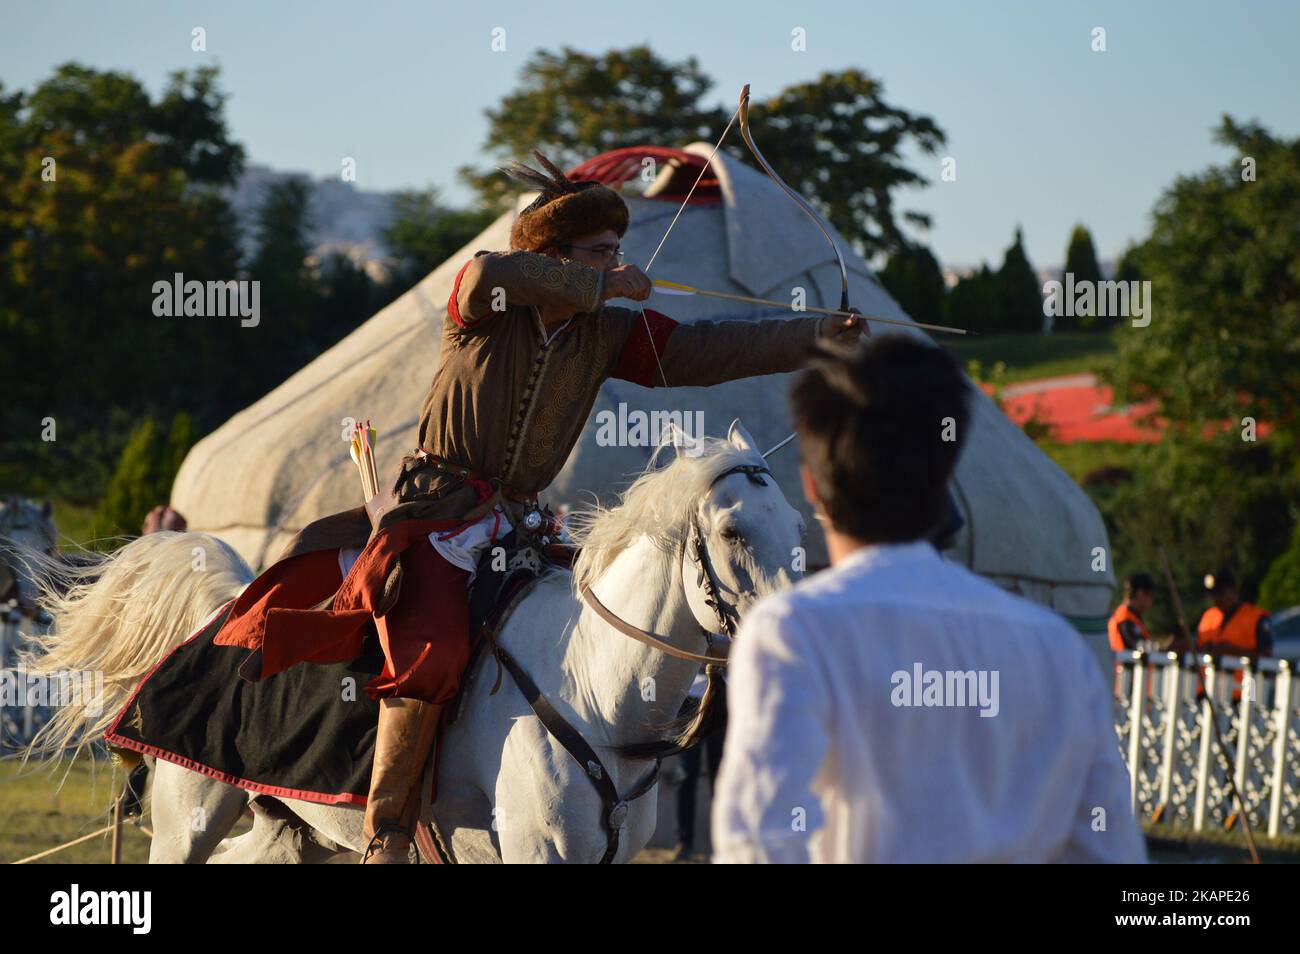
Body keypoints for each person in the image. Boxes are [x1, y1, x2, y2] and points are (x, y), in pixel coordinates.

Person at [212, 151, 865, 863]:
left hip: (518, 524)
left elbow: (707, 350)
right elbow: (491, 270)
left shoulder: (606, 333)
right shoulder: (484, 310)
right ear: (553, 257)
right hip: (435, 516)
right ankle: (387, 834)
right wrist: (599, 283)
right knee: (431, 651)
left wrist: (817, 337)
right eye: (598, 251)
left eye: (618, 250)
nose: (617, 262)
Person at [711, 335, 1146, 863]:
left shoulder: (793, 633)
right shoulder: (1056, 647)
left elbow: (759, 843)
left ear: (811, 486)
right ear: (947, 473)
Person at [1107, 573, 1155, 653]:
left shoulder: (1129, 616)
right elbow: (1137, 647)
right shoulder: (1125, 619)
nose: (1152, 599)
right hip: (1126, 664)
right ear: (1140, 593)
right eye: (1151, 594)